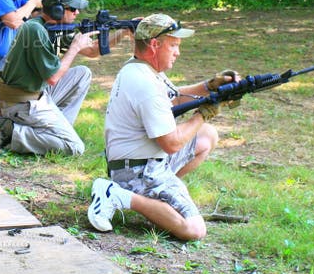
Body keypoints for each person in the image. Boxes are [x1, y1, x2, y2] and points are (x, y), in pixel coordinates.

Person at [86, 13, 240, 240]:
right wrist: (204, 113)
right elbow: (172, 144)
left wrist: (209, 86)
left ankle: (159, 199)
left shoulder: (140, 68)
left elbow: (173, 99)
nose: (178, 52)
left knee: (206, 136)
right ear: (155, 44)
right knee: (194, 230)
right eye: (173, 45)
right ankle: (119, 195)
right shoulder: (145, 83)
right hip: (139, 171)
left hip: (139, 161)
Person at [0, 0, 130, 156]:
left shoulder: (54, 28)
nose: (77, 12)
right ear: (57, 10)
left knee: (82, 74)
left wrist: (123, 31)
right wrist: (74, 47)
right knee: (74, 147)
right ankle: (12, 131)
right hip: (21, 102)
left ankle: (57, 130)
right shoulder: (35, 29)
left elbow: (92, 50)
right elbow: (53, 78)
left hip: (37, 93)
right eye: (72, 9)